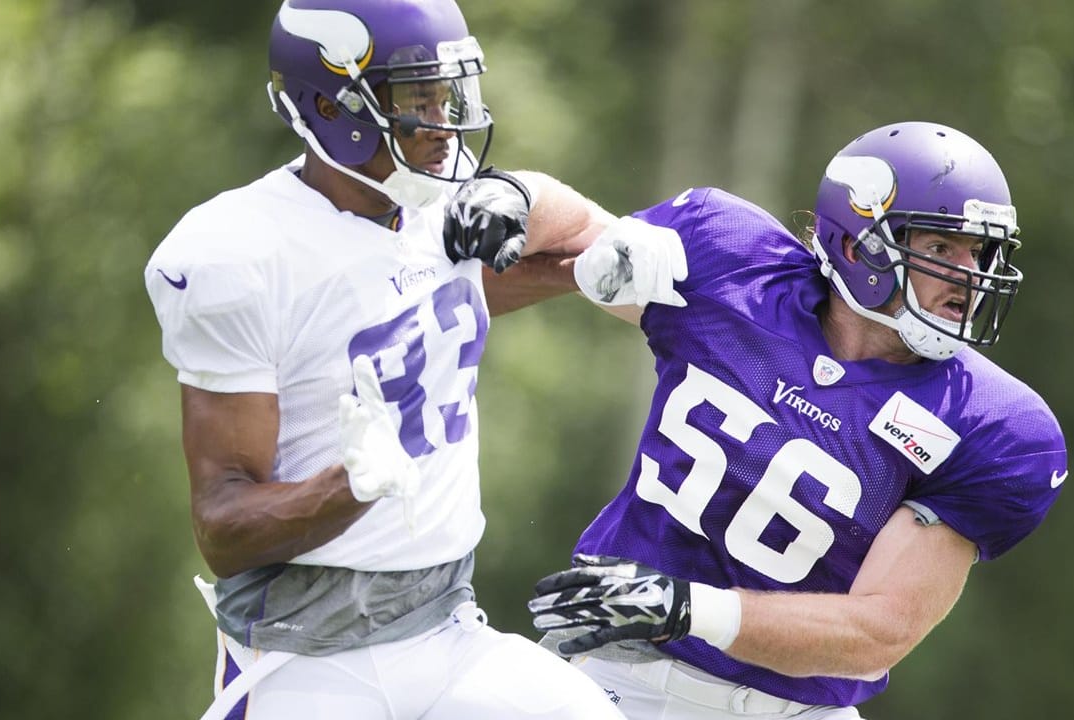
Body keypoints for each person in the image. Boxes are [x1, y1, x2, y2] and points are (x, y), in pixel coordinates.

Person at [143, 0, 685, 718]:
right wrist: (345, 489)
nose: (441, 122)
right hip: (304, 656)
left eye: (446, 93)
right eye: (414, 99)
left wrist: (582, 265)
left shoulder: (433, 208)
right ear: (332, 107)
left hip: (448, 631)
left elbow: (446, 287)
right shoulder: (239, 252)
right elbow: (223, 528)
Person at [446, 120, 1068, 719]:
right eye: (940, 247)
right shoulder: (736, 264)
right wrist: (517, 195)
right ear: (858, 245)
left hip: (797, 712)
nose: (969, 277)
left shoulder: (990, 425)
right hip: (620, 680)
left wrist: (686, 607)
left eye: (980, 253)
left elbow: (878, 630)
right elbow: (579, 228)